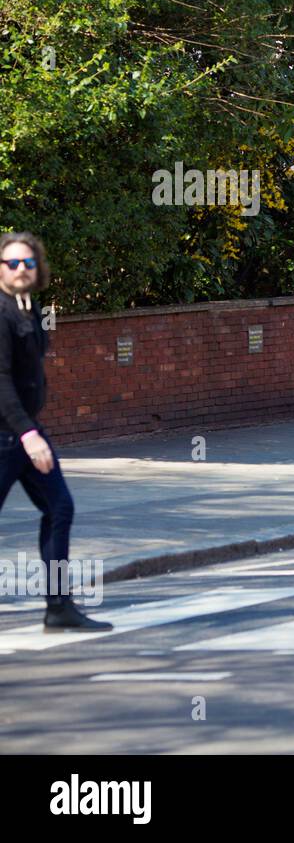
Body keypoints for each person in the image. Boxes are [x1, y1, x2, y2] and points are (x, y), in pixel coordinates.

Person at [0, 232, 111, 631]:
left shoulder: (27, 308)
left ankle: (59, 606)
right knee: (57, 507)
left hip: (24, 434)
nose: (19, 270)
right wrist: (28, 435)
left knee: (59, 507)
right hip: (9, 436)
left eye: (26, 263)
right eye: (11, 263)